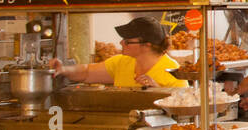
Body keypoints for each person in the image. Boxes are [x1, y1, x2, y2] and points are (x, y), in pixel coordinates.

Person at [52, 16, 186, 88]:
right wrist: (63, 69)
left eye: (127, 41)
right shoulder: (121, 62)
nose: (121, 43)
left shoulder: (175, 73)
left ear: (147, 45)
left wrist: (158, 91)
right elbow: (86, 72)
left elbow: (182, 114)